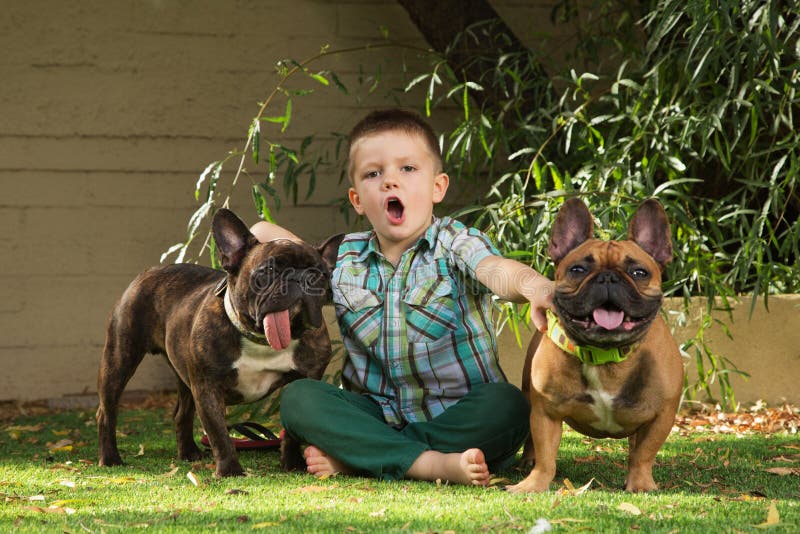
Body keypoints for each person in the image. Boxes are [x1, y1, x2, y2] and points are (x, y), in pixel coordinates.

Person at [250, 108, 553, 486]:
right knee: (299, 399)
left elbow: (494, 269)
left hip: (461, 415)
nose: (390, 181)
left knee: (508, 405)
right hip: (374, 413)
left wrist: (533, 285)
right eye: (373, 174)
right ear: (357, 199)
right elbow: (262, 230)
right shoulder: (344, 258)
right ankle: (428, 463)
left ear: (437, 187)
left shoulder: (455, 243)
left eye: (408, 169)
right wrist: (276, 240)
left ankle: (364, 458)